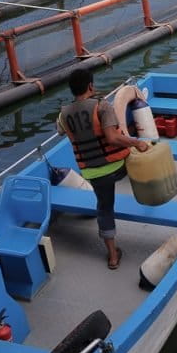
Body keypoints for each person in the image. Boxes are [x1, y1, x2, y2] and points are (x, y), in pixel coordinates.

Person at [58, 68, 148, 270]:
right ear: (91, 86)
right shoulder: (102, 106)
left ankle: (113, 256)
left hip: (92, 171)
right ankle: (148, 193)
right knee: (138, 154)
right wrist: (136, 142)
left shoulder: (63, 114)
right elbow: (113, 138)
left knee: (104, 208)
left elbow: (60, 130)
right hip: (117, 167)